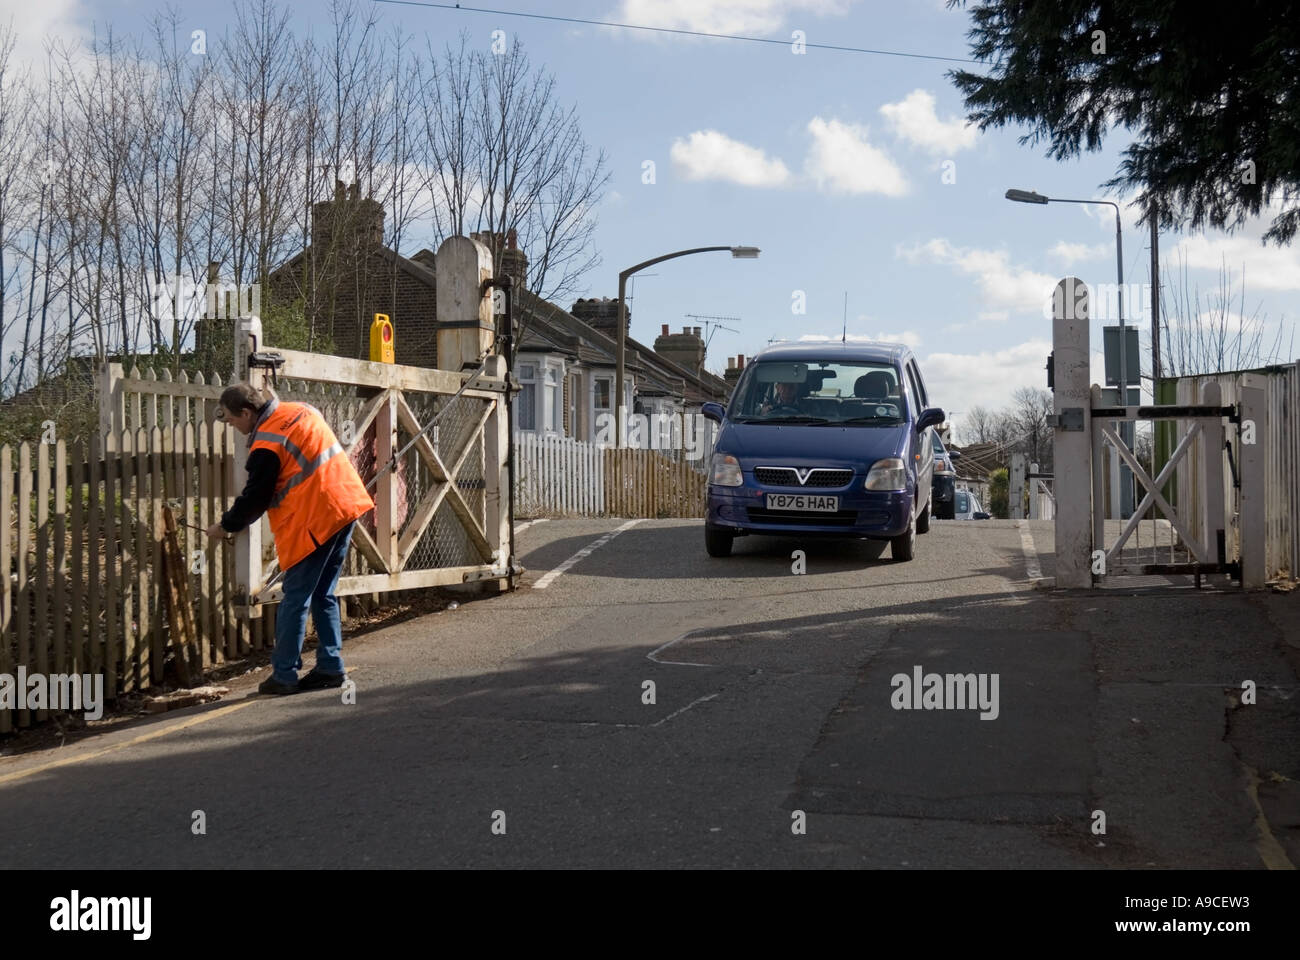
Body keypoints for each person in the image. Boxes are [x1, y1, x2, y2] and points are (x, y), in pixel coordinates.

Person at [206, 384, 374, 695]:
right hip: (345, 505)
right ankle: (330, 666)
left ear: (246, 412)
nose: (234, 427)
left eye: (232, 420)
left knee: (295, 597)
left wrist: (225, 525)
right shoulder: (301, 410)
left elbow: (255, 497)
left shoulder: (266, 442)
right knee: (323, 592)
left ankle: (284, 674)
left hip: (316, 518)